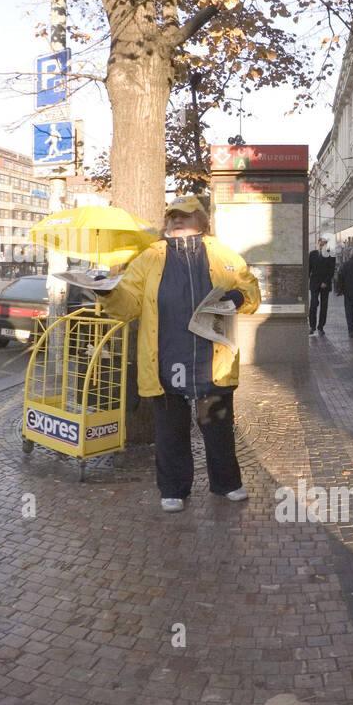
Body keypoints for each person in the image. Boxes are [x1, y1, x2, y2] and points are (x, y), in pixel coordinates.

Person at [99, 202, 259, 512]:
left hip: (213, 359)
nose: (176, 221)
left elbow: (250, 290)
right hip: (167, 356)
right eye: (171, 217)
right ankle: (173, 487)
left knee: (218, 426)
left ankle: (227, 482)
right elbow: (128, 305)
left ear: (200, 219)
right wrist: (108, 293)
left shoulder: (224, 254)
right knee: (170, 429)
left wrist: (238, 296)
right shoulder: (149, 258)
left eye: (183, 216)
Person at [305, 238, 337, 337]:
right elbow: (308, 269)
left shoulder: (330, 255)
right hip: (314, 283)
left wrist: (325, 282)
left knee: (324, 306)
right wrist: (307, 280)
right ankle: (312, 326)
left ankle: (321, 327)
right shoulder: (312, 254)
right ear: (317, 244)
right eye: (320, 244)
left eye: (323, 244)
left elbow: (331, 271)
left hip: (325, 285)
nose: (321, 246)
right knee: (313, 304)